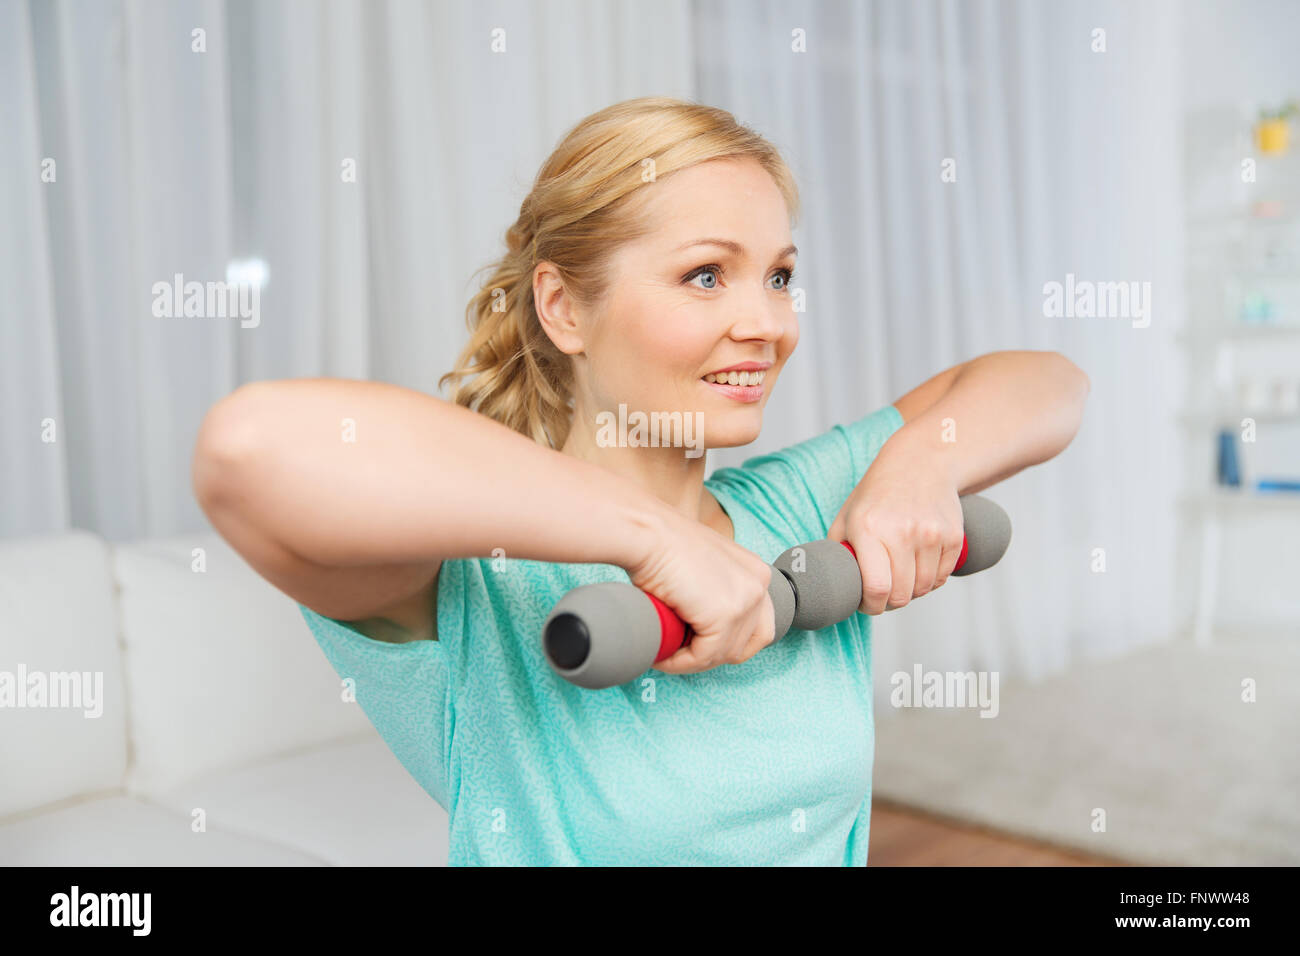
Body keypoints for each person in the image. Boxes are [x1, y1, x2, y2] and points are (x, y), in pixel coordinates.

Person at [191, 96, 1089, 866]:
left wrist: (920, 466)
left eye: (779, 276)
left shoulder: (798, 508)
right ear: (563, 308)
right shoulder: (477, 583)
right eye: (707, 275)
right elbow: (249, 446)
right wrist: (655, 540)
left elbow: (1052, 384)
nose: (767, 323)